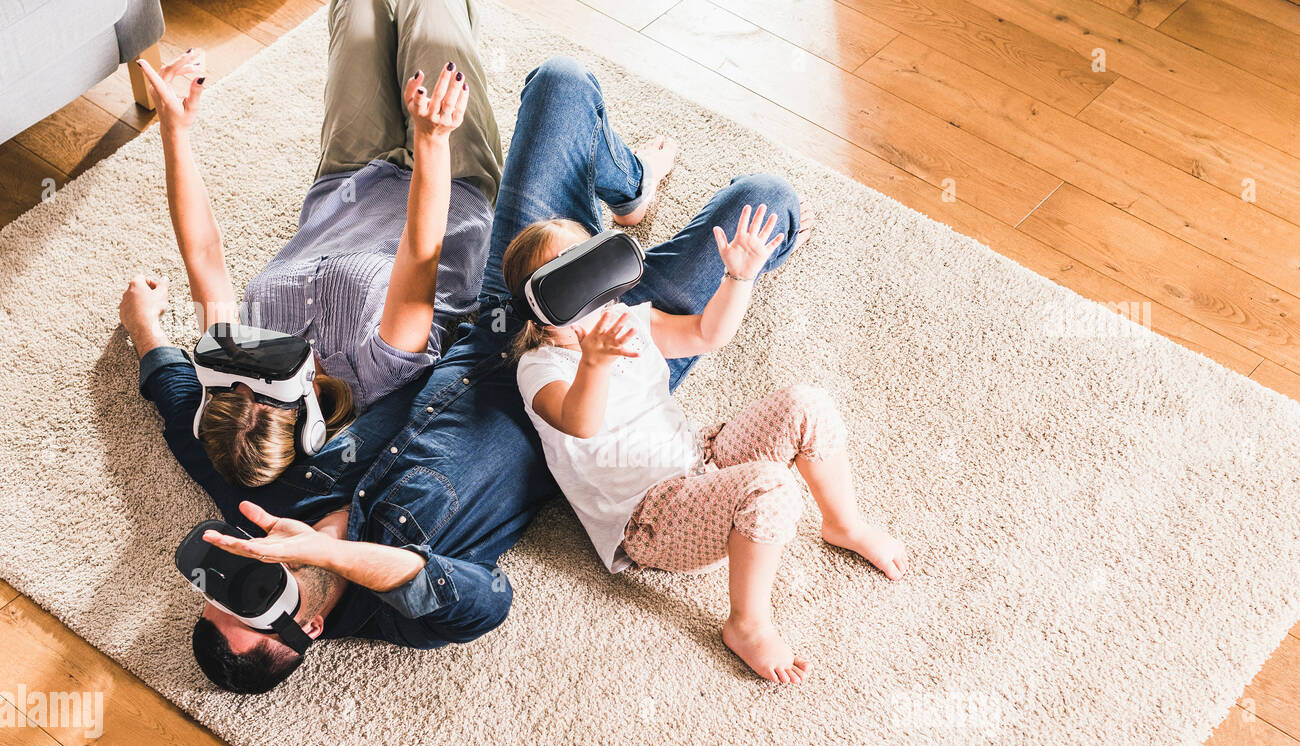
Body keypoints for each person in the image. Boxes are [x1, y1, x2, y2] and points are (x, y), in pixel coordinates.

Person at [121, 32, 815, 692]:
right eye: (252, 595)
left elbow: (183, 399)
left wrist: (147, 332)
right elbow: (490, 600)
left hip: (502, 305)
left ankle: (631, 186)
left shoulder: (259, 504)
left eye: (224, 582)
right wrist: (333, 554)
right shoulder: (400, 611)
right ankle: (625, 224)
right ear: (307, 626)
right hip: (598, 371)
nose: (249, 564)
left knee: (561, 82)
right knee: (772, 203)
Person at [508, 208, 908, 685]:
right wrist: (592, 364)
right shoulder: (539, 369)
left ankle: (845, 523)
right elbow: (581, 423)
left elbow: (706, 334)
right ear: (541, 307)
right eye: (568, 285)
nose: (593, 299)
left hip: (700, 460)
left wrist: (738, 276)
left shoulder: (627, 320)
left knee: (807, 405)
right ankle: (747, 624)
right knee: (771, 487)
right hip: (651, 516)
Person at [132, 0, 503, 487]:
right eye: (268, 371)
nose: (254, 352)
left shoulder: (237, 353)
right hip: (449, 183)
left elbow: (202, 254)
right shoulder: (379, 372)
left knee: (355, 10)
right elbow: (421, 250)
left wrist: (173, 129)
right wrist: (431, 138)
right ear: (308, 415)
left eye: (238, 373)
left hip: (347, 178)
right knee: (433, 15)